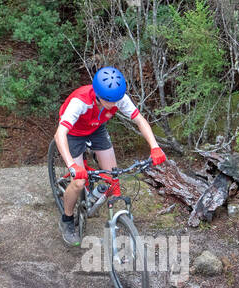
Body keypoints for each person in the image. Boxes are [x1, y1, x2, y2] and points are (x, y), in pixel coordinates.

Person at [54, 66, 165, 246]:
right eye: (109, 101)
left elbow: (139, 120)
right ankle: (67, 220)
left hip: (96, 128)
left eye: (117, 100)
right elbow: (60, 134)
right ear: (98, 95)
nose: (114, 105)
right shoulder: (80, 101)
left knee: (113, 176)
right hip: (73, 133)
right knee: (78, 182)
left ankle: (102, 201)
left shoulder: (117, 98)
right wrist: (72, 167)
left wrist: (155, 147)